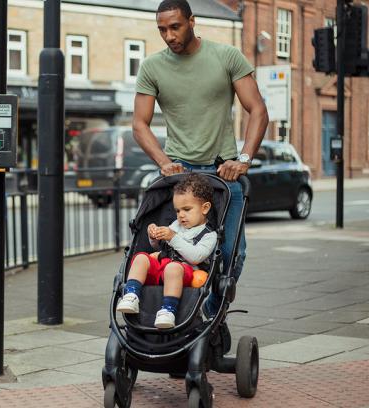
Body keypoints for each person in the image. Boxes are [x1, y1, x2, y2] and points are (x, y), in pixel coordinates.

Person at [132, 0, 268, 317]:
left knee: (232, 254)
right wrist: (163, 162)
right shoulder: (152, 67)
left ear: (192, 21)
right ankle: (174, 311)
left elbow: (258, 110)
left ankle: (209, 313)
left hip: (224, 173)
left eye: (175, 26)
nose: (168, 35)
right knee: (166, 247)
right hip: (180, 175)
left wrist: (244, 158)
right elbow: (140, 124)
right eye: (162, 29)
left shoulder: (226, 56)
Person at [117, 173, 217, 329]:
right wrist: (155, 238)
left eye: (187, 209)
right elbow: (160, 248)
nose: (181, 215)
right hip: (163, 268)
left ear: (205, 208)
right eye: (177, 211)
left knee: (173, 267)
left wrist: (173, 237)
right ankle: (131, 294)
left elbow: (196, 257)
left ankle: (168, 310)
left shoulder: (208, 235)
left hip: (185, 272)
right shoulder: (176, 225)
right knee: (141, 257)